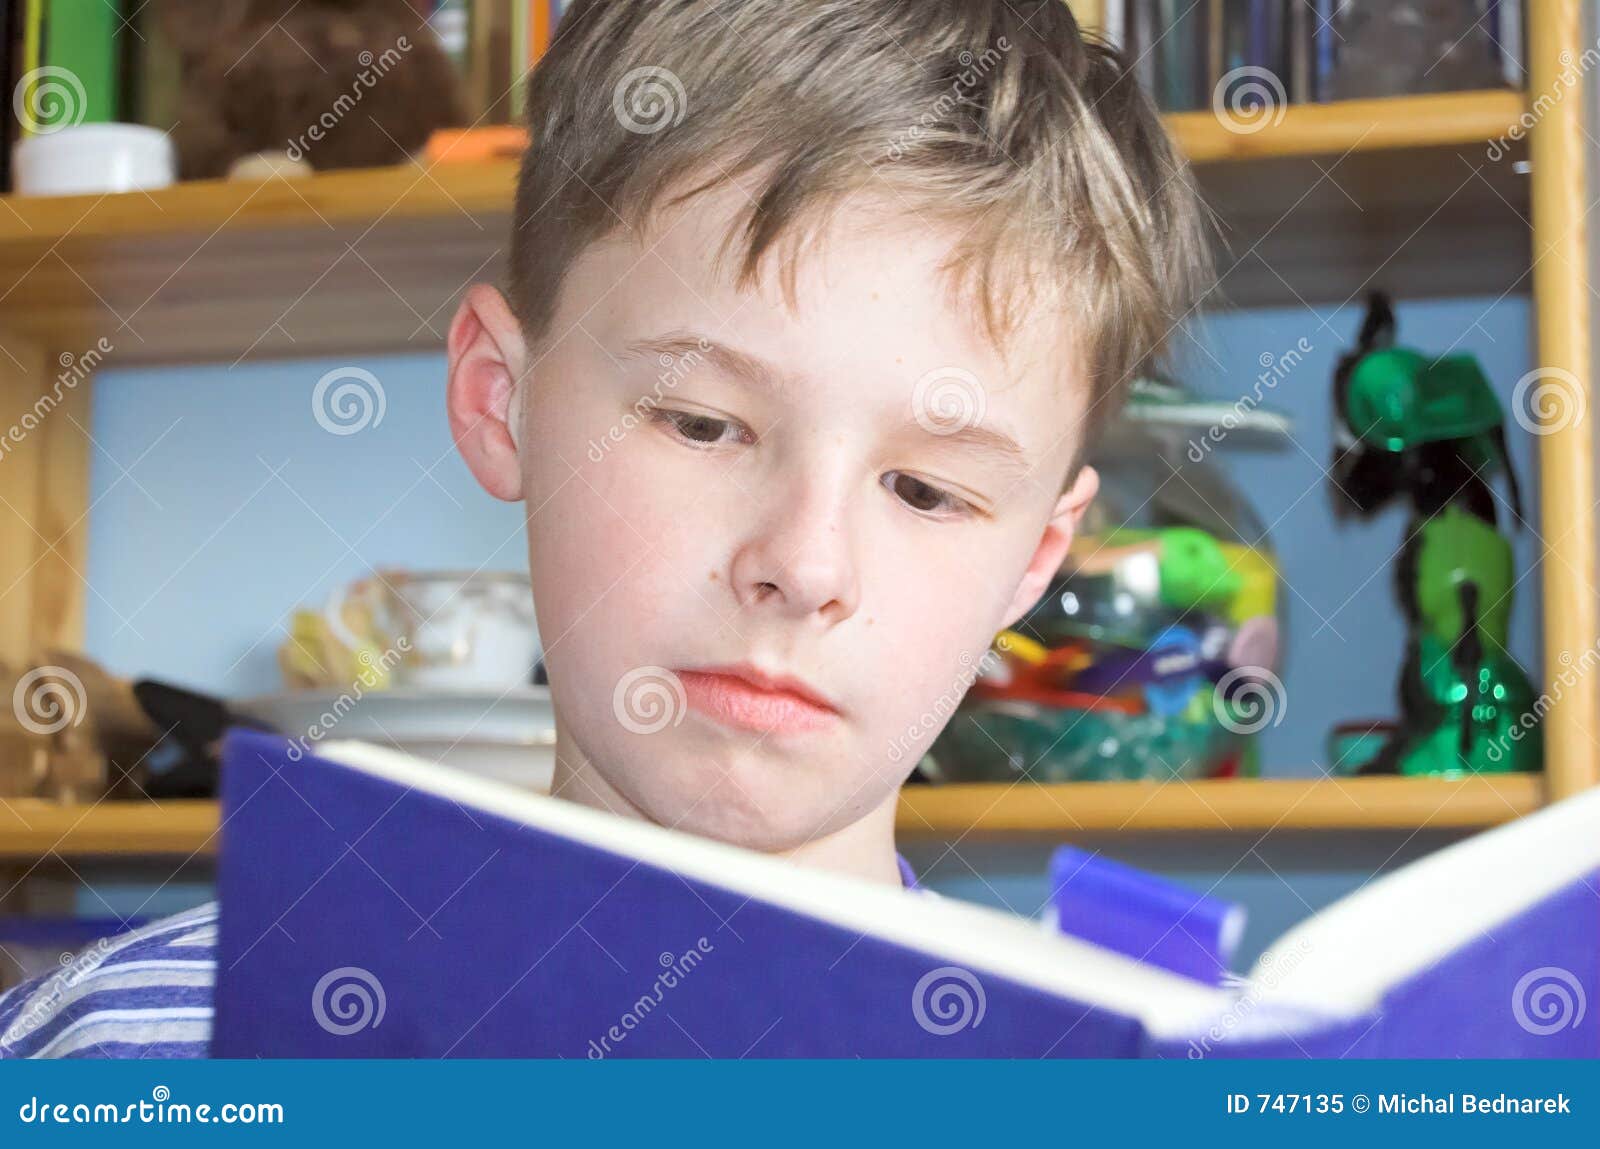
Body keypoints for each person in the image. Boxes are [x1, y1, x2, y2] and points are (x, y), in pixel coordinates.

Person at [0, 0, 1210, 1058]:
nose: (802, 565)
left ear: (1036, 560)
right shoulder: (127, 1053)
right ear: (500, 402)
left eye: (929, 492)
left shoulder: (1152, 1080)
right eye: (699, 423)